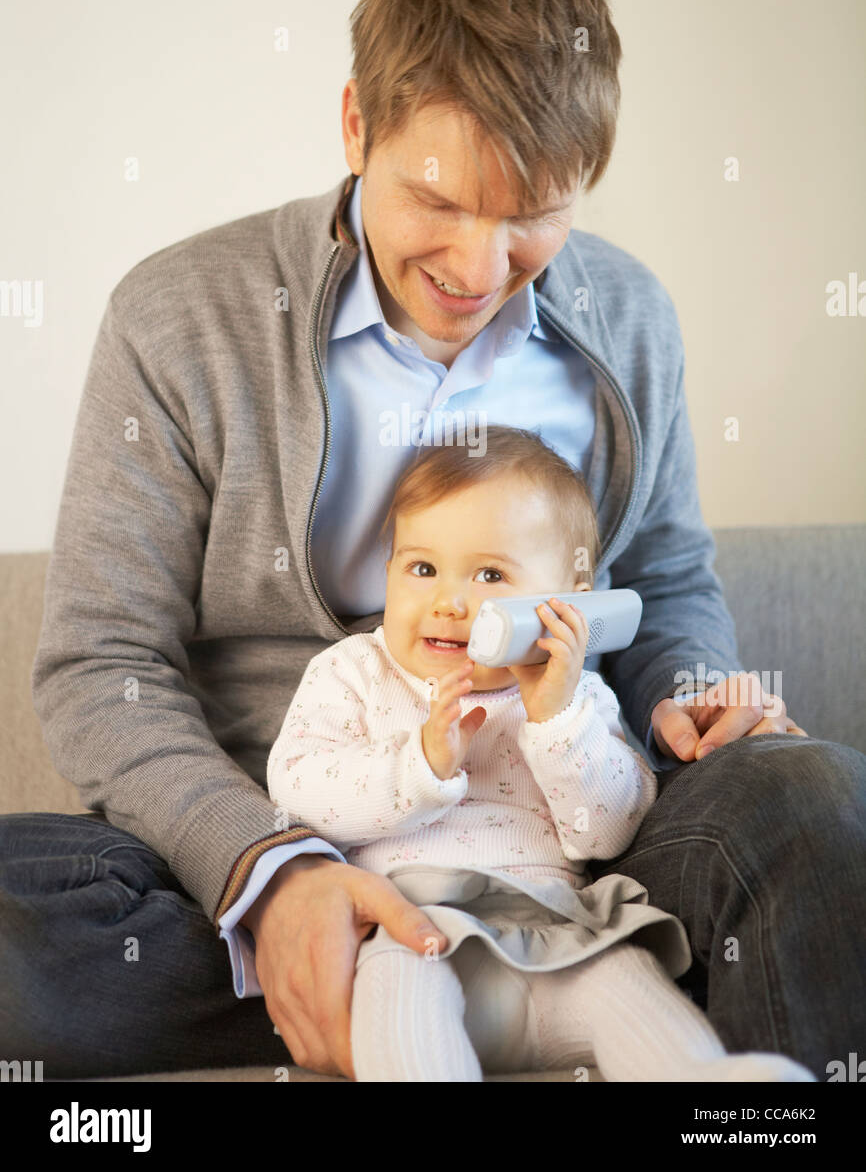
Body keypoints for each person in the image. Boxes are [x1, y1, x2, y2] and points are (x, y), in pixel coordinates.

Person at [4, 0, 863, 1081]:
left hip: (564, 838)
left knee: (818, 796)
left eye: (533, 215)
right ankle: (404, 963)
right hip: (270, 831)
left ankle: (531, 992)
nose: (477, 261)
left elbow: (661, 587)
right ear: (357, 123)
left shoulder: (627, 318)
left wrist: (694, 696)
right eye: (440, 200)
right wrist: (271, 870)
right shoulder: (178, 318)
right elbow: (99, 665)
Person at [267, 426, 815, 1082]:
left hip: (557, 931)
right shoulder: (355, 672)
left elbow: (611, 826)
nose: (449, 600)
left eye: (490, 574)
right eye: (421, 567)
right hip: (420, 931)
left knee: (628, 980)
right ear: (387, 569)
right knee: (398, 986)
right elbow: (295, 785)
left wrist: (556, 721)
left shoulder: (578, 696)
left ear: (569, 593)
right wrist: (417, 768)